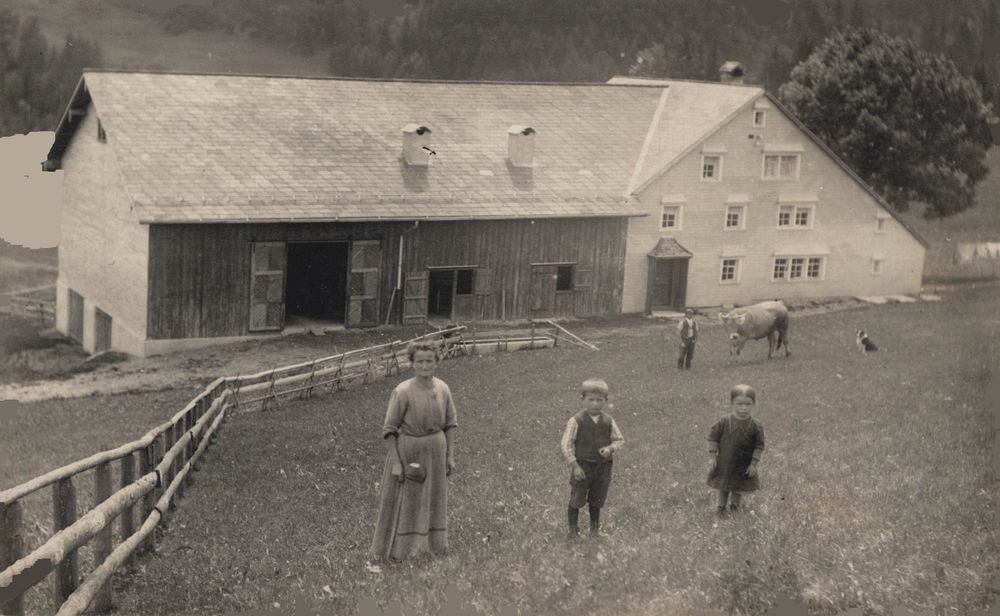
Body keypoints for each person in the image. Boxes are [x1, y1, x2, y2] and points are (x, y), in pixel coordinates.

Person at [370, 340, 457, 562]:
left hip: (436, 451)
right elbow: (389, 430)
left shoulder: (443, 388)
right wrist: (398, 463)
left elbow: (450, 425)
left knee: (434, 497)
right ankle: (402, 551)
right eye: (420, 361)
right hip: (410, 452)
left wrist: (450, 456)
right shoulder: (403, 391)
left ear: (437, 362)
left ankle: (431, 546)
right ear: (412, 363)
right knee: (408, 500)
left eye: (429, 361)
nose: (425, 366)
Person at [560, 378, 625, 539]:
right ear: (583, 400)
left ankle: (594, 530)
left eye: (599, 400)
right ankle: (573, 531)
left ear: (605, 400)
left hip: (603, 468)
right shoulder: (576, 421)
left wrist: (610, 448)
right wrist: (575, 465)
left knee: (597, 499)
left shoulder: (609, 421)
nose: (595, 404)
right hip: (582, 466)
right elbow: (566, 444)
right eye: (591, 400)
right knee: (577, 498)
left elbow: (619, 440)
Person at [707, 384, 765, 516]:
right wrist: (712, 457)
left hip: (743, 464)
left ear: (753, 404)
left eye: (747, 404)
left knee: (738, 487)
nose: (743, 408)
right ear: (732, 403)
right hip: (725, 462)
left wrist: (753, 464)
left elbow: (759, 446)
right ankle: (720, 509)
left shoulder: (756, 426)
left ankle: (734, 508)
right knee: (724, 486)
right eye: (739, 404)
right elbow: (713, 438)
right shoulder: (724, 422)